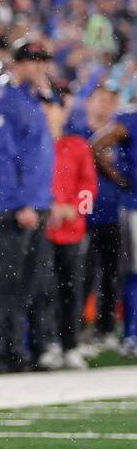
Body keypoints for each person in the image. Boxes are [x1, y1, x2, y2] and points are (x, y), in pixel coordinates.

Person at [0, 39, 56, 373]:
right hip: (16, 207)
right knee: (4, 281)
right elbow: (1, 159)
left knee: (26, 283)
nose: (38, 67)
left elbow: (37, 158)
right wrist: (22, 203)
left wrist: (41, 202)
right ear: (17, 64)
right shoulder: (4, 101)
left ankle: (15, 348)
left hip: (35, 204)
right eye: (32, 60)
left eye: (42, 60)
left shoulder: (30, 101)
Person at [36, 85, 95, 369]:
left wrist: (74, 209)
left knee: (71, 288)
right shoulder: (36, 145)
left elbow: (88, 187)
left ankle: (70, 343)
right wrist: (46, 206)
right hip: (44, 228)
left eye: (53, 107)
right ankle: (48, 343)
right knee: (44, 289)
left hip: (71, 230)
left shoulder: (77, 145)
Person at [88, 82, 137, 353]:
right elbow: (96, 145)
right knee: (134, 273)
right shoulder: (130, 117)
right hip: (134, 204)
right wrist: (118, 176)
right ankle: (131, 335)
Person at [79, 81, 123, 349]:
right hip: (85, 216)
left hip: (113, 215)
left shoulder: (122, 136)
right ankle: (79, 328)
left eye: (111, 100)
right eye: (101, 99)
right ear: (89, 102)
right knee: (81, 274)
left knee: (111, 275)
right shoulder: (77, 132)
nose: (105, 104)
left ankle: (105, 329)